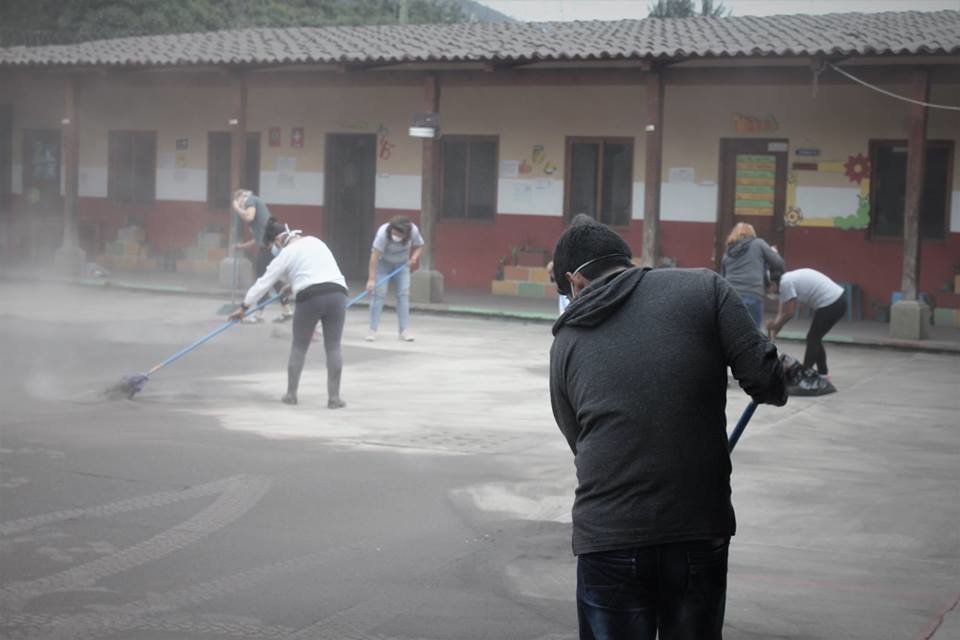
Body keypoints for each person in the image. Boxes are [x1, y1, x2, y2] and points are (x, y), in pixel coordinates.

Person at [549, 217, 787, 640]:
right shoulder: (705, 288)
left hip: (609, 534)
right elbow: (767, 382)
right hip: (696, 525)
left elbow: (579, 440)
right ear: (626, 261)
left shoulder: (566, 339)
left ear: (575, 281)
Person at [230, 221, 347, 408]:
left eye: (271, 247)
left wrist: (244, 307)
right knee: (333, 346)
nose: (273, 250)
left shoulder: (285, 253)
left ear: (278, 240)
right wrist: (291, 287)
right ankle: (334, 398)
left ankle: (291, 394)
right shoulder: (316, 242)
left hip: (310, 298)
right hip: (338, 294)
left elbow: (264, 283)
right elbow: (317, 272)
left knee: (299, 346)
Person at [766, 268, 846, 378]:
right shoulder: (786, 281)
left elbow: (789, 313)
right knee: (815, 337)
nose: (769, 292)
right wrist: (772, 336)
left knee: (813, 338)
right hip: (837, 301)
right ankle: (823, 373)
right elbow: (781, 314)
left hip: (832, 302)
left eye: (768, 289)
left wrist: (774, 326)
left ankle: (805, 374)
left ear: (773, 283)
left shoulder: (786, 283)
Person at [232, 189, 292, 323]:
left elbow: (248, 216)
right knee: (272, 278)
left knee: (262, 278)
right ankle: (286, 310)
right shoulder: (256, 208)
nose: (242, 205)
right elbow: (256, 239)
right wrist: (241, 247)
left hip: (270, 247)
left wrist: (237, 208)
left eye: (240, 202)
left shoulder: (250, 199)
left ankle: (259, 314)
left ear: (242, 197)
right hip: (268, 247)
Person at [365, 215, 424, 342]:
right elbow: (374, 257)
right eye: (393, 232)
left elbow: (419, 246)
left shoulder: (413, 230)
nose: (395, 235)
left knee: (403, 294)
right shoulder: (382, 234)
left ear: (406, 234)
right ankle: (372, 330)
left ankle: (404, 331)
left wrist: (414, 258)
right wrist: (371, 279)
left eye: (398, 233)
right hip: (383, 265)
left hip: (402, 266)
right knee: (379, 294)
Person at [720, 222, 785, 328]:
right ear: (752, 233)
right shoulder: (758, 243)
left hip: (730, 297)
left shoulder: (728, 251)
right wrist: (773, 253)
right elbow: (779, 263)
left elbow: (722, 276)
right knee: (754, 332)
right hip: (752, 294)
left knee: (733, 332)